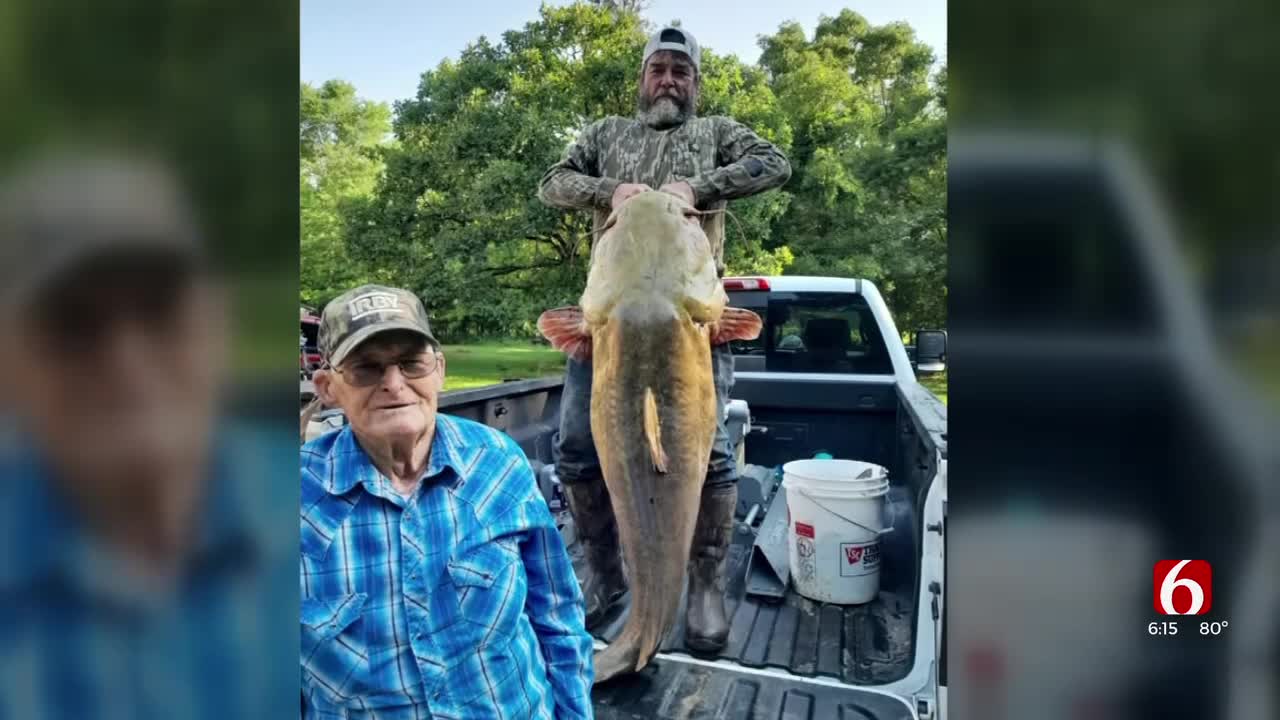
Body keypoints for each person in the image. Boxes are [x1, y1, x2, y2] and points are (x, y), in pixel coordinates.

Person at [0, 152, 297, 720]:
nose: (126, 359)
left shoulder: (301, 514)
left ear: (218, 321)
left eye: (159, 308)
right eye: (73, 325)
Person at [538, 26, 791, 652]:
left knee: (713, 458)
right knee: (574, 448)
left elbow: (776, 163)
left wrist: (696, 189)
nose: (670, 79)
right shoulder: (605, 135)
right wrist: (608, 191)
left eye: (682, 70)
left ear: (696, 83)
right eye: (659, 68)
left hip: (693, 322)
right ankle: (605, 574)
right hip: (608, 324)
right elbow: (552, 184)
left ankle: (704, 586)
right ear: (642, 78)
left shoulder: (716, 134)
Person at [301, 285, 593, 719]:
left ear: (439, 369)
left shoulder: (497, 463)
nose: (394, 384)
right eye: (366, 368)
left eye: (411, 363)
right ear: (328, 387)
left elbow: (558, 613)